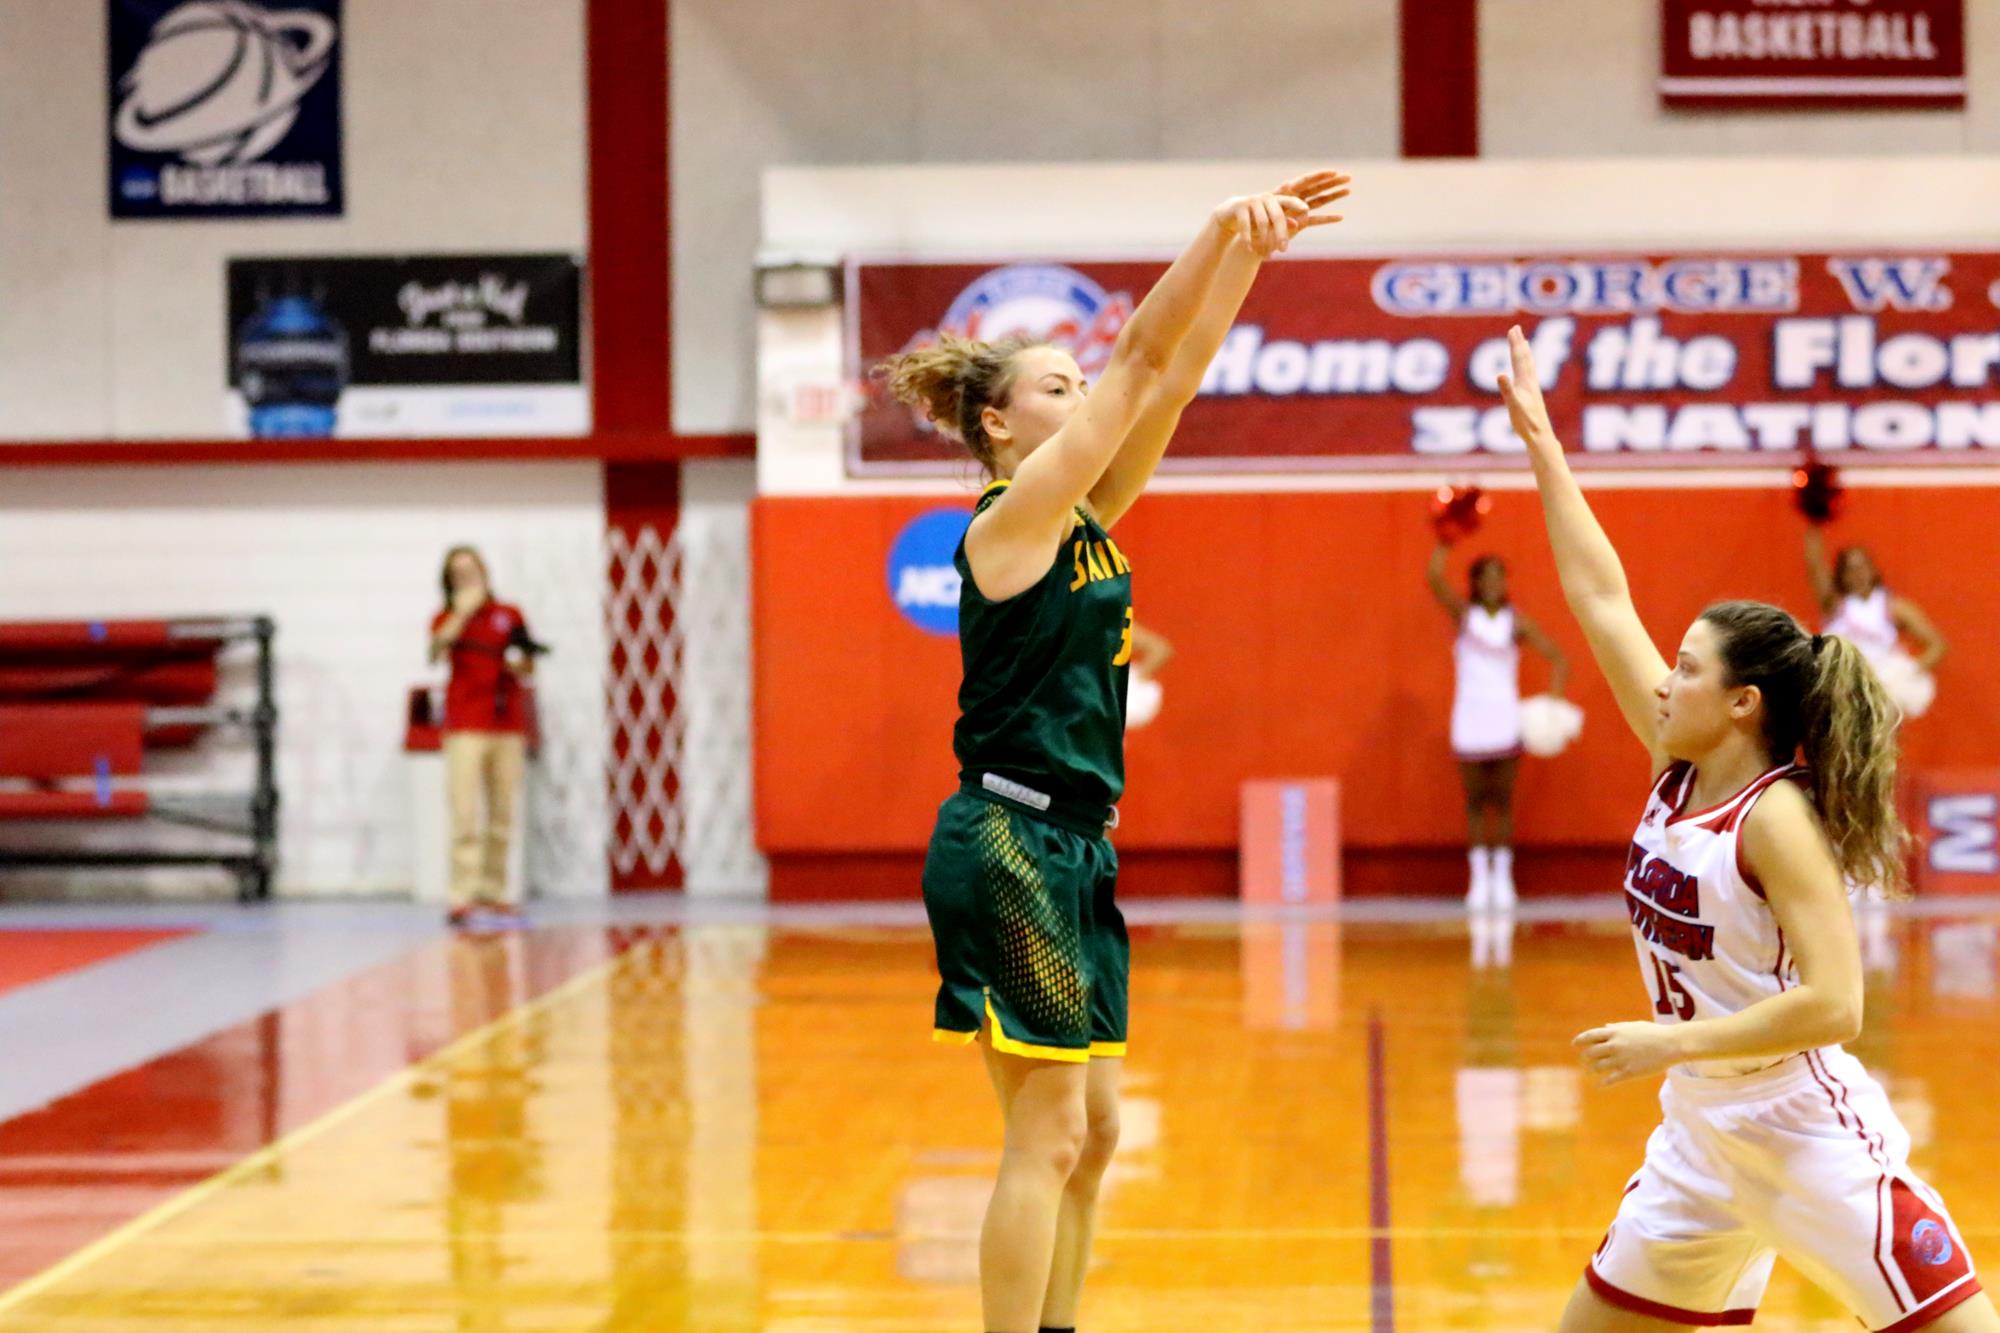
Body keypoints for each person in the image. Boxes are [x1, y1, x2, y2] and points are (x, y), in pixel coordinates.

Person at [878, 170, 1349, 1333]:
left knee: (1093, 1137)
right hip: (1008, 834)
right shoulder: (1009, 521)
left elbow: (1170, 381)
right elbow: (1140, 355)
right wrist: (1215, 229)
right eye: (1056, 384)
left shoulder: (1085, 516)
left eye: (1076, 381)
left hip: (1075, 846)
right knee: (1044, 1133)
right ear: (999, 423)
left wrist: (1251, 260)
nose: (1083, 391)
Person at [1496, 327, 1993, 1333]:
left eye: (1685, 665)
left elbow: (1835, 1005)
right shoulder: (1671, 760)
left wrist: (1672, 1040)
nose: (1663, 676)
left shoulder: (1774, 821)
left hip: (1803, 1126)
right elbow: (1598, 597)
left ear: (1739, 703)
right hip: (1699, 1139)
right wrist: (1544, 454)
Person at [1426, 543, 1568, 908]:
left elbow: (1558, 658)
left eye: (1499, 576)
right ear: (1474, 582)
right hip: (1470, 718)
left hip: (1504, 718)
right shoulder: (1465, 616)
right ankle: (1479, 881)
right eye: (1486, 577)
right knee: (1475, 803)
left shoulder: (1516, 621)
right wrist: (1445, 542)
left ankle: (1503, 880)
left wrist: (1551, 704)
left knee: (1502, 803)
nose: (1493, 583)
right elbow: (1434, 580)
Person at [428, 546, 536, 929]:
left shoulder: (509, 615)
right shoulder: (446, 618)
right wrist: (462, 611)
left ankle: (494, 890)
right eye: (458, 574)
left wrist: (518, 661)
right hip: (465, 725)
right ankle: (462, 894)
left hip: (506, 724)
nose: (467, 579)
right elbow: (435, 651)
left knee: (503, 812)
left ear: (485, 574)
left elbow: (528, 664)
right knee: (465, 811)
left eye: (471, 572)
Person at [1805, 526, 1947, 717]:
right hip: (1843, 688)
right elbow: (1814, 565)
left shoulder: (1893, 607)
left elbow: (1937, 645)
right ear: (1841, 574)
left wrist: (1907, 671)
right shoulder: (1834, 605)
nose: (1858, 574)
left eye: (1863, 567)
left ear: (1873, 569)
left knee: (1881, 739)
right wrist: (1814, 523)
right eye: (1850, 569)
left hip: (1882, 692)